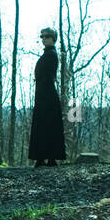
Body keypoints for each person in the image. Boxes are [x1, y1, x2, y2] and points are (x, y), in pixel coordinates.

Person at [28, 27, 66, 167]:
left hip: (47, 95)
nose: (43, 39)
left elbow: (47, 77)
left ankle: (49, 157)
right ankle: (43, 157)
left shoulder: (51, 54)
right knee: (43, 126)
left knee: (48, 126)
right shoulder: (47, 54)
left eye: (46, 36)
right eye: (42, 36)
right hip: (43, 94)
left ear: (53, 38)